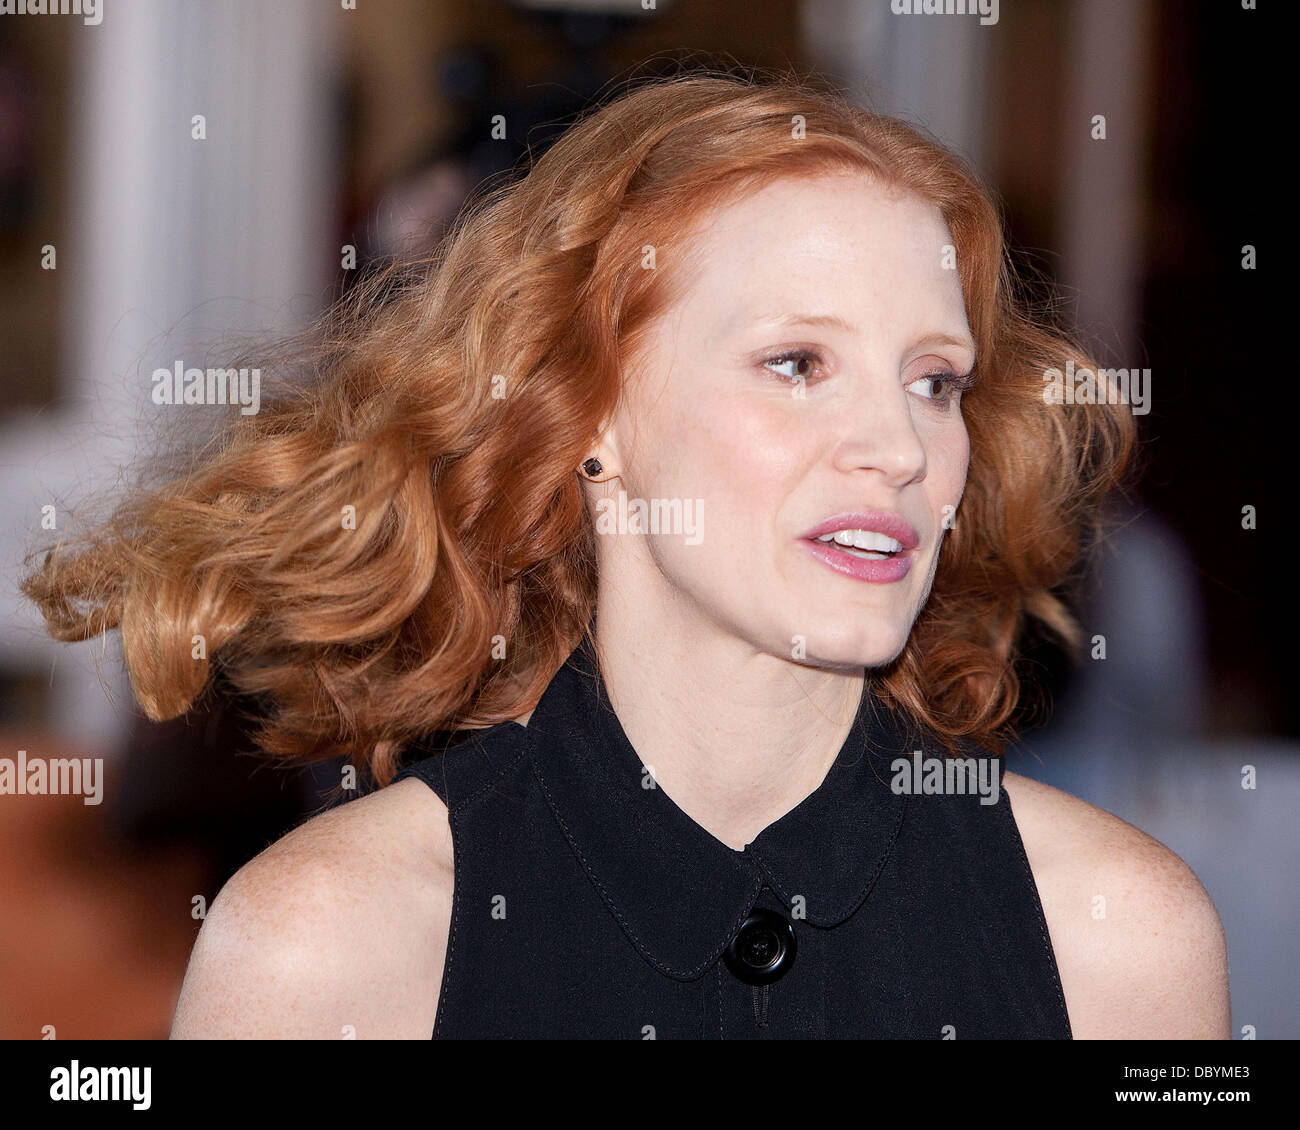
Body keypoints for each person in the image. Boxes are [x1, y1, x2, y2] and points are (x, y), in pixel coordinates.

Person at [23, 70, 1229, 1039]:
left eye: (934, 380)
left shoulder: (1116, 932)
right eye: (797, 363)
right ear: (591, 421)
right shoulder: (331, 938)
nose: (899, 447)